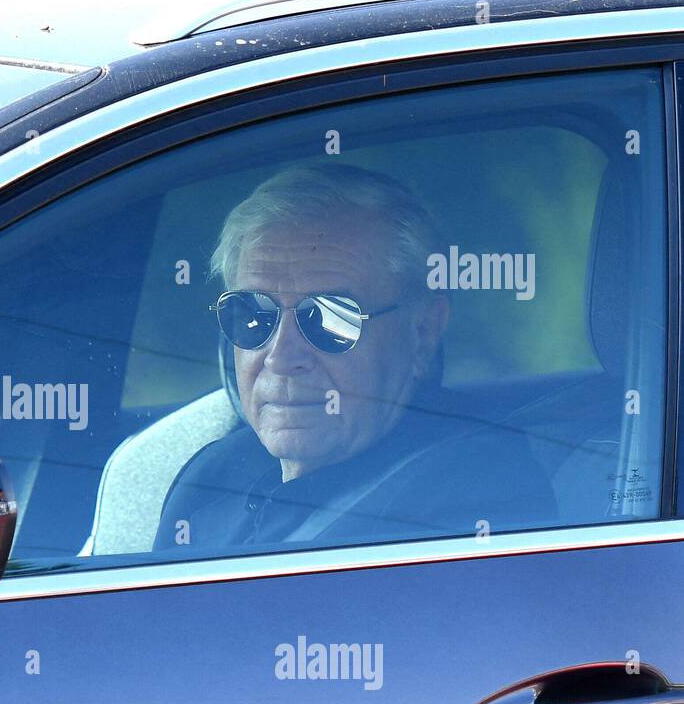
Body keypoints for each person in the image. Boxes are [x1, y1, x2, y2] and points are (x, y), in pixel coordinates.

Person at [157, 163, 555, 552]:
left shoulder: (475, 497)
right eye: (254, 315)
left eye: (331, 318)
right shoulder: (211, 477)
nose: (281, 357)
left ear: (422, 332)